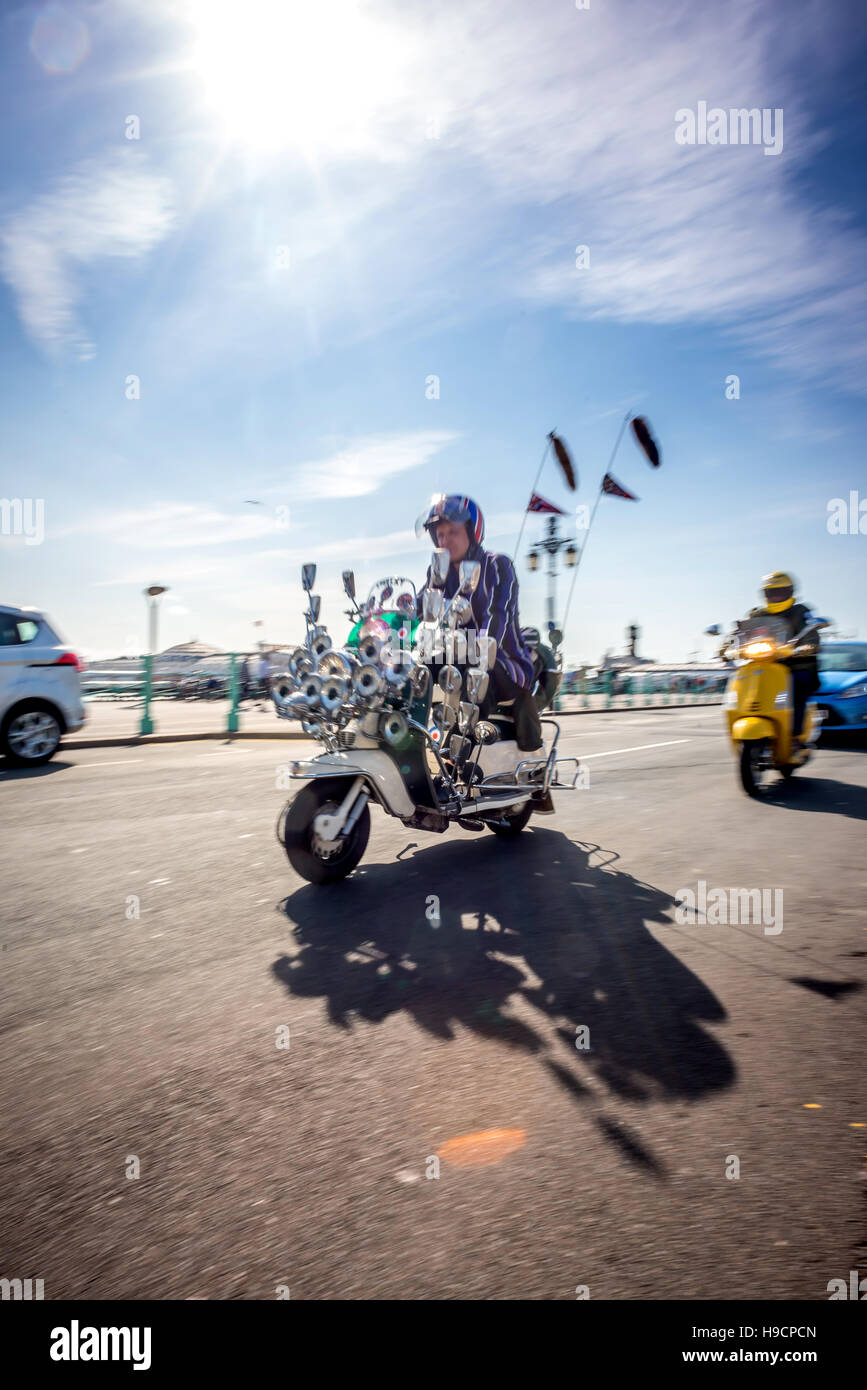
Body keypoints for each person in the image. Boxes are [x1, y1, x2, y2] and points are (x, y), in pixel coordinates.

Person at [415, 493, 547, 758]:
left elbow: (498, 618)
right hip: (455, 654)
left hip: (501, 660)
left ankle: (457, 756)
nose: (444, 540)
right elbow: (421, 610)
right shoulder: (437, 571)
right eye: (439, 535)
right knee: (413, 671)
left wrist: (475, 645)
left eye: (452, 532)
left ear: (472, 532)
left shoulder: (498, 565)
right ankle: (409, 741)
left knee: (473, 670)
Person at [724, 572, 821, 745]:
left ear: (790, 592)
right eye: (771, 593)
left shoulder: (800, 612)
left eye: (780, 592)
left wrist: (806, 647)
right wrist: (726, 647)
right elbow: (739, 632)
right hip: (763, 664)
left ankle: (795, 736)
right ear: (765, 595)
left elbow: (811, 633)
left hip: (797, 664)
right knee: (744, 682)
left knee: (797, 689)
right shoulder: (757, 614)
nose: (775, 596)